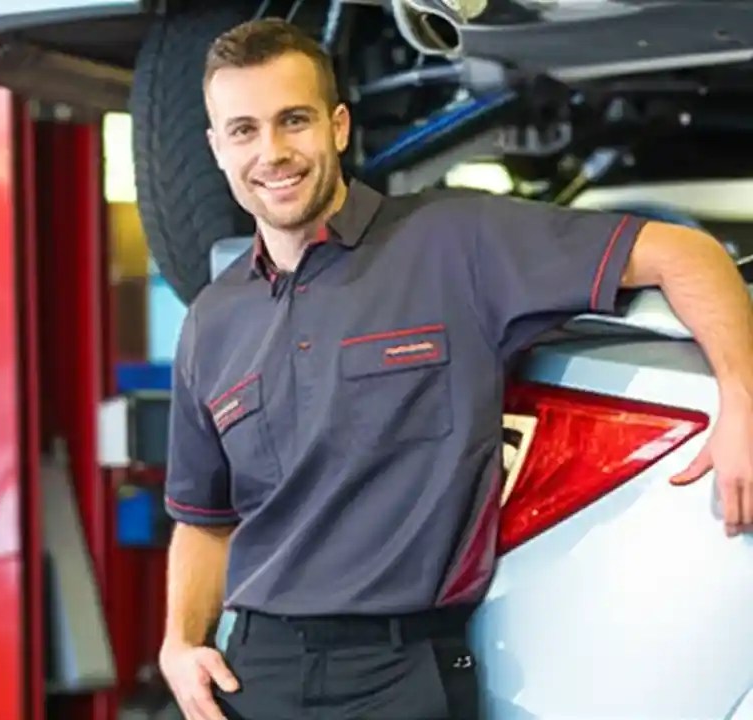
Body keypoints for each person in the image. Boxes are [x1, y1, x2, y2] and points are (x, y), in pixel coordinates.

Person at [157, 17, 753, 720]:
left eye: (294, 121)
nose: (273, 152)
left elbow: (684, 255)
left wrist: (742, 403)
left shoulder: (455, 242)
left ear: (339, 127)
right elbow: (204, 519)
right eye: (244, 130)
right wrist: (176, 642)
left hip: (402, 673)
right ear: (216, 148)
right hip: (254, 672)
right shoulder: (212, 321)